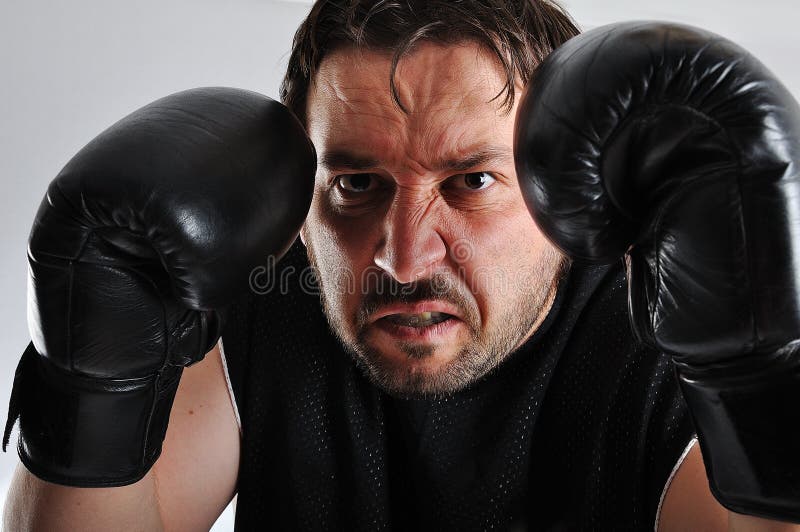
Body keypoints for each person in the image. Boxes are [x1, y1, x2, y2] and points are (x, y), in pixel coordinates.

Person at [3, 1, 800, 530]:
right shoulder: (254, 310)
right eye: (355, 185)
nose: (402, 254)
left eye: (471, 181)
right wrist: (89, 375)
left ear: (569, 189)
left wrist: (765, 375)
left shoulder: (659, 343)